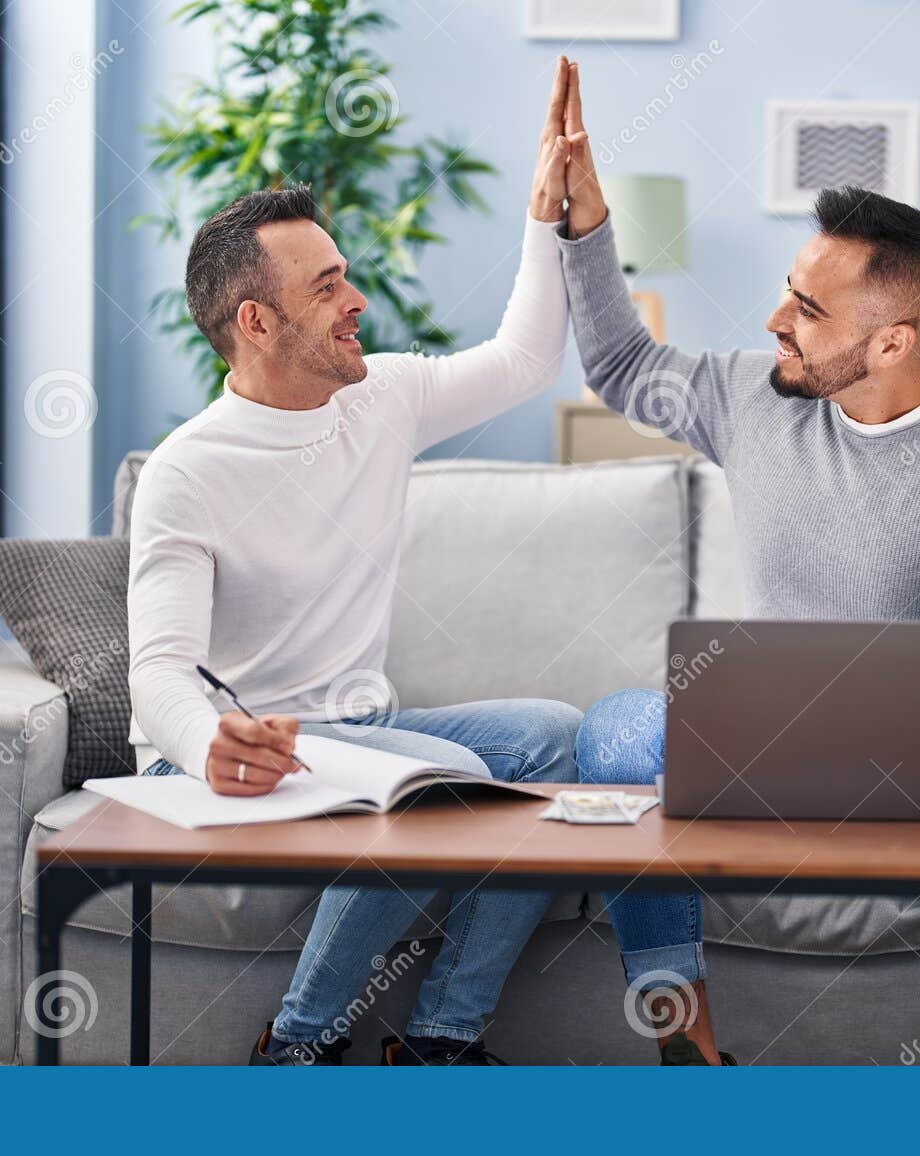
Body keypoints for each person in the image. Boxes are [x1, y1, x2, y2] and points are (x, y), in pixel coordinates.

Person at [555, 67, 920, 1066]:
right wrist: (584, 229)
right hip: (767, 744)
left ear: (891, 339)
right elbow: (623, 368)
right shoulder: (754, 398)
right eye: (786, 293)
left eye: (806, 306)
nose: (775, 321)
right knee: (617, 732)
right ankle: (688, 1043)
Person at [127, 60, 590, 1067]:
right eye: (326, 285)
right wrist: (208, 738)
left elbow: (524, 358)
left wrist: (544, 215)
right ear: (257, 323)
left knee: (550, 738)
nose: (358, 301)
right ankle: (293, 1047)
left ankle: (437, 1041)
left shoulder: (379, 396)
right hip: (229, 753)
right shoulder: (185, 472)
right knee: (449, 781)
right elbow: (159, 668)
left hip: (359, 732)